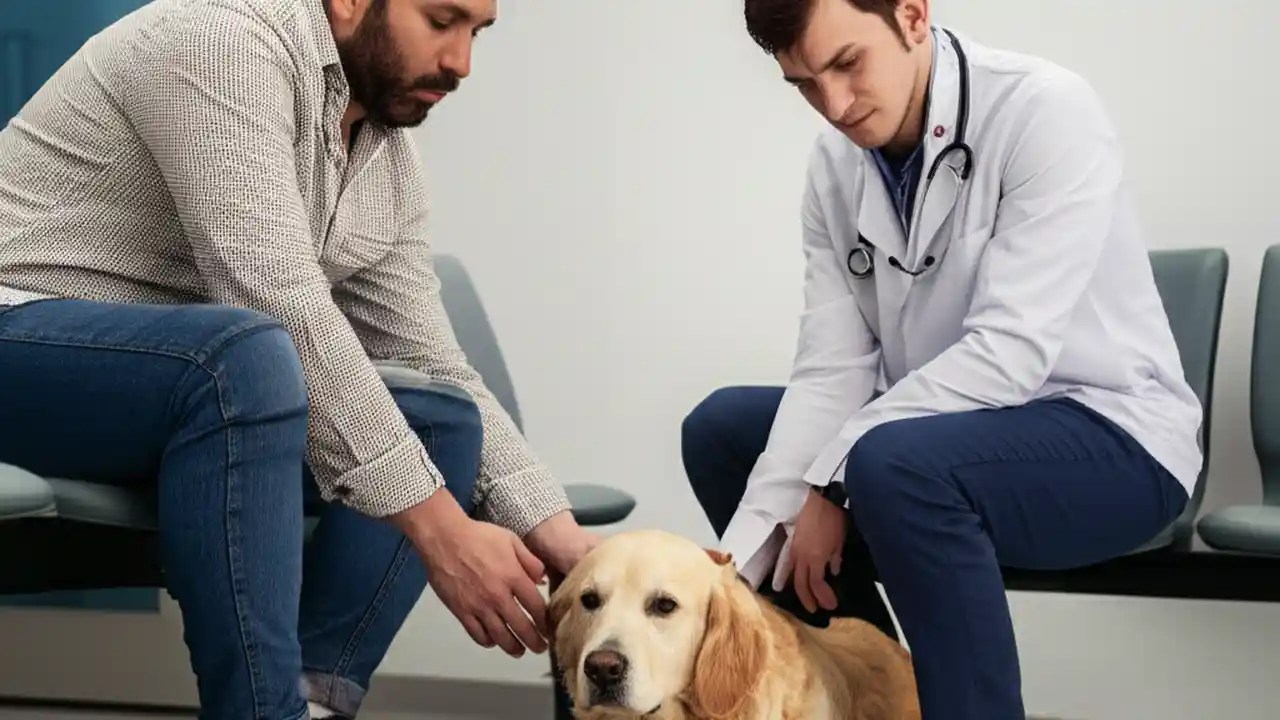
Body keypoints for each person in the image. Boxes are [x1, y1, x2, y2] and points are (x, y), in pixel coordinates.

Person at [0, 0, 597, 717]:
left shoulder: (384, 158)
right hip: (23, 340)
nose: (461, 62)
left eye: (476, 33)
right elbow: (274, 300)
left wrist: (562, 538)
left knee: (438, 417)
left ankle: (313, 701)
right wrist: (444, 531)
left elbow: (432, 360)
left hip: (168, 392)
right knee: (246, 356)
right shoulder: (218, 42)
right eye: (442, 21)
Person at [681, 0, 1202, 718]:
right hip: (937, 445)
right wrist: (724, 580)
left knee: (889, 463)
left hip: (1114, 440)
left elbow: (1008, 352)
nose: (831, 105)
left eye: (846, 63)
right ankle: (871, 696)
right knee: (724, 428)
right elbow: (833, 372)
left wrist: (832, 481)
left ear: (912, 15)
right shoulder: (836, 165)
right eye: (803, 83)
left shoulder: (1044, 111)